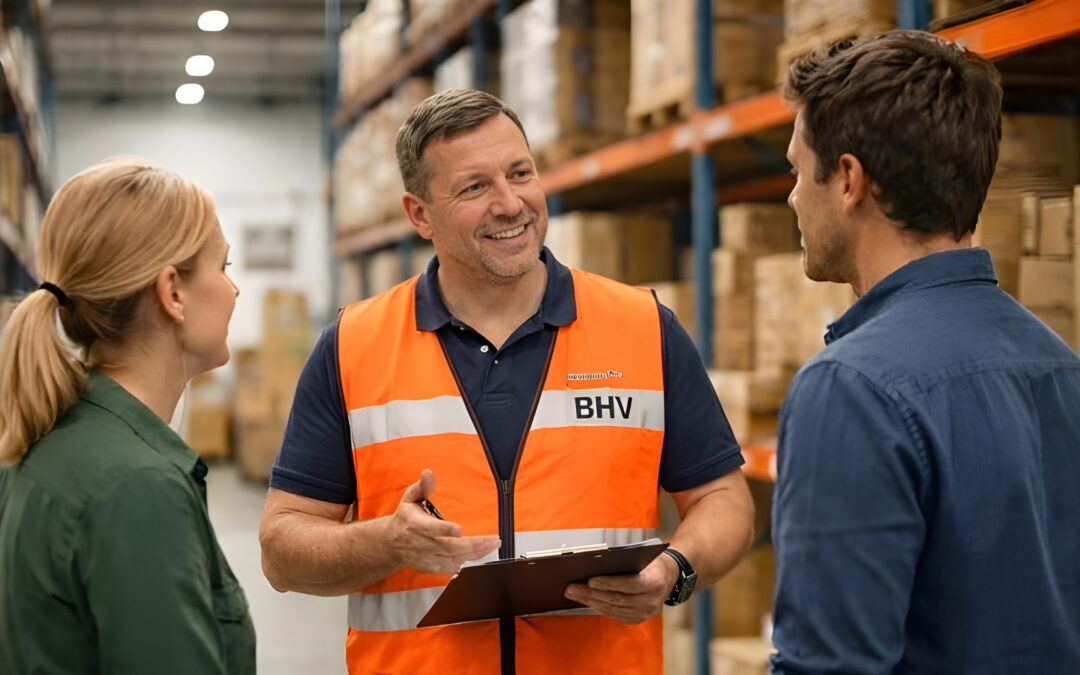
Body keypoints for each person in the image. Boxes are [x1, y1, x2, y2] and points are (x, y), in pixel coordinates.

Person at [259, 88, 755, 673]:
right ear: (420, 214)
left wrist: (675, 571)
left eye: (521, 173)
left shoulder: (643, 327)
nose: (510, 203)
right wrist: (386, 543)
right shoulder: (353, 346)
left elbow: (725, 502)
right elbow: (282, 548)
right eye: (474, 187)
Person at [770, 30, 1080, 674]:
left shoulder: (851, 389)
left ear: (849, 179)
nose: (793, 196)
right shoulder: (1063, 368)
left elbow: (830, 667)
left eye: (799, 170)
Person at [0, 157, 254, 674]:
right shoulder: (138, 488)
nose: (234, 289)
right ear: (173, 292)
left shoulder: (47, 437)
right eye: (224, 268)